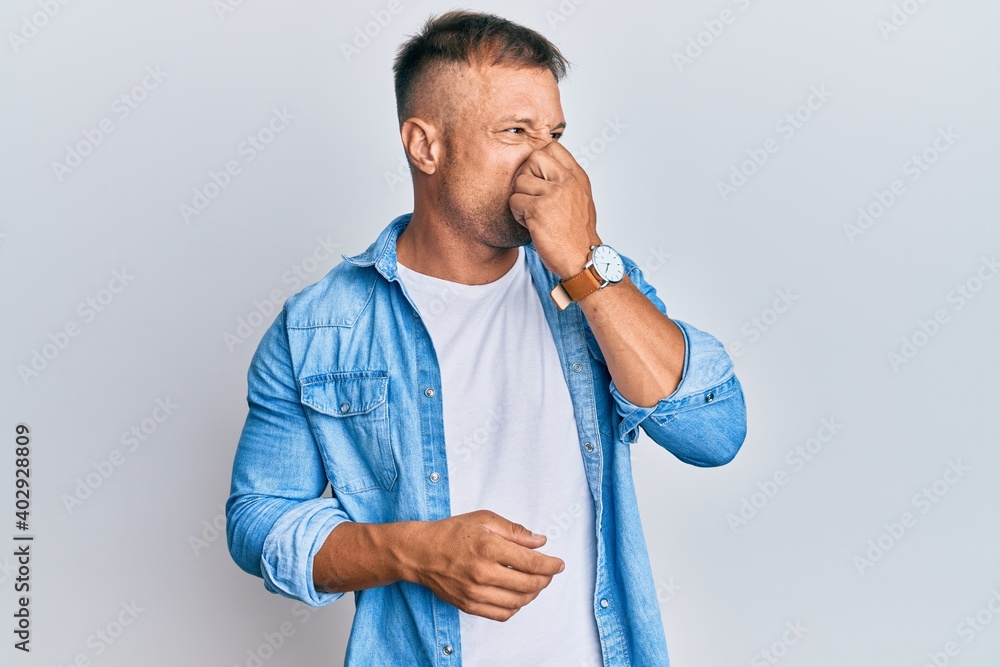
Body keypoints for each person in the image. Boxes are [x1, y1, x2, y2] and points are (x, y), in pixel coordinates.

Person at [226, 9, 747, 666]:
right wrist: (416, 551)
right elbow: (257, 520)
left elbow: (716, 432)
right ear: (426, 146)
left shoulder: (596, 282)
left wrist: (584, 259)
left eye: (554, 133)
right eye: (515, 132)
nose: (548, 163)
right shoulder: (319, 327)